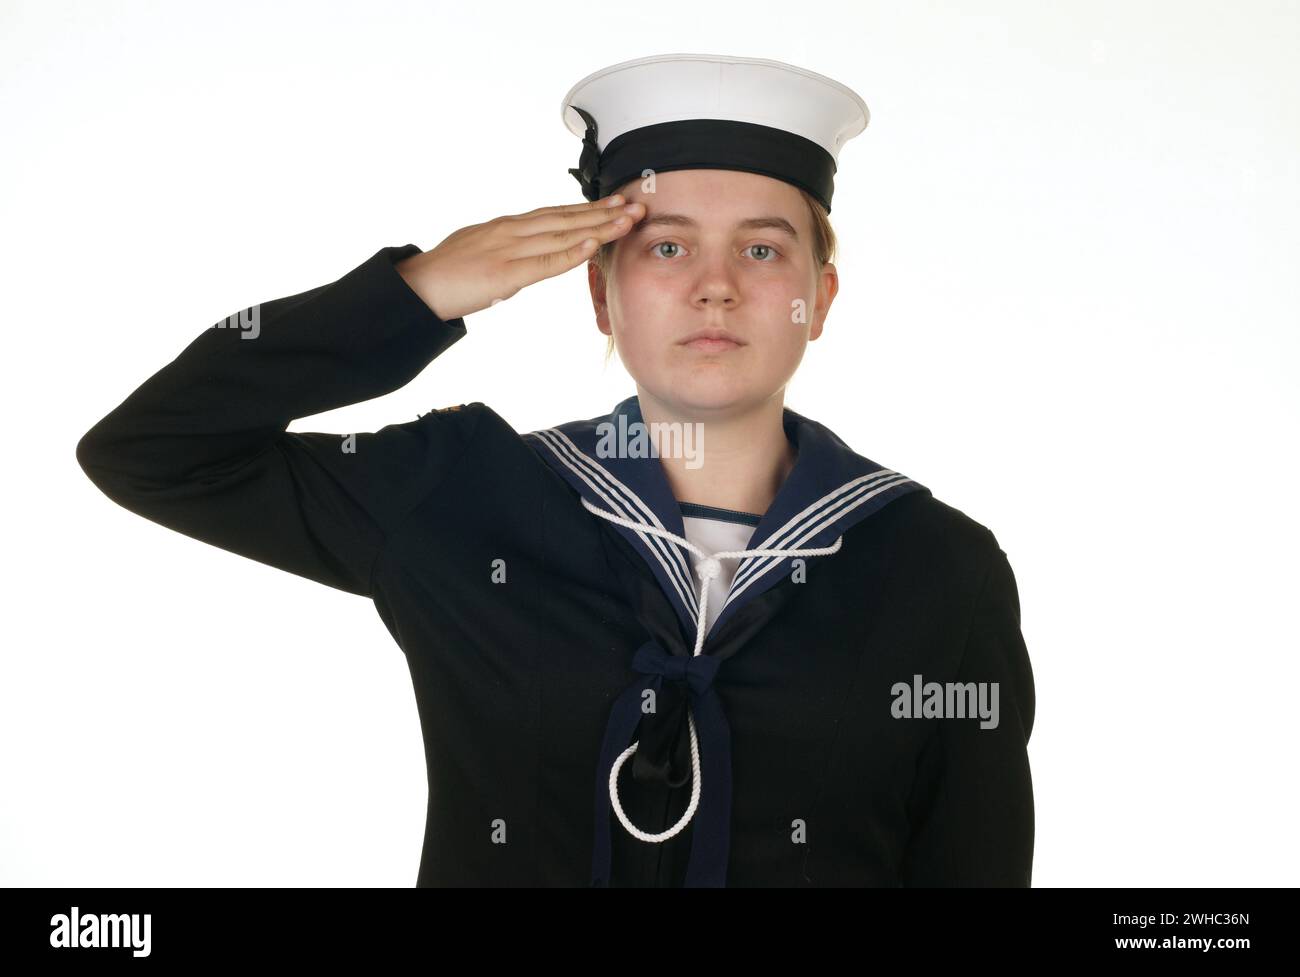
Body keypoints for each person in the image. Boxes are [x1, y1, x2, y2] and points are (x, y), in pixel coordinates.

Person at [75, 53, 1035, 887]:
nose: (716, 283)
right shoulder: (463, 497)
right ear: (600, 292)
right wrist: (416, 295)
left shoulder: (938, 567)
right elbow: (153, 451)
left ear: (818, 299)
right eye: (666, 246)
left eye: (761, 247)